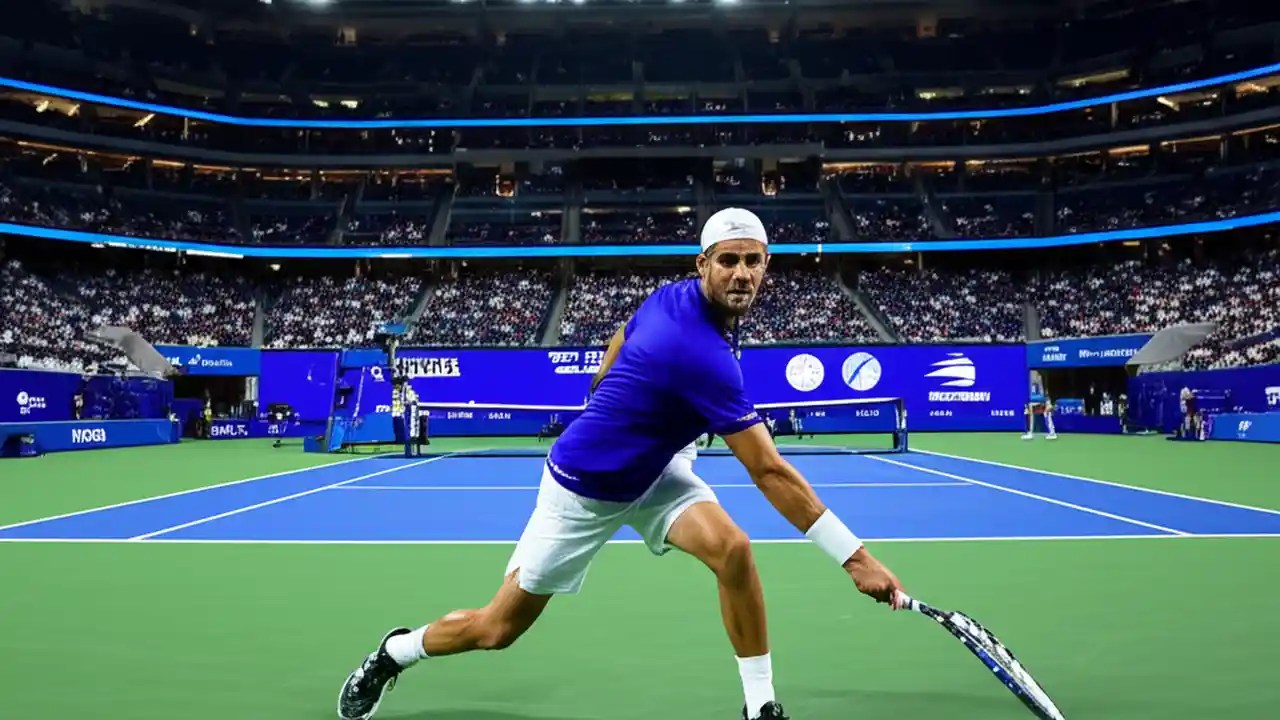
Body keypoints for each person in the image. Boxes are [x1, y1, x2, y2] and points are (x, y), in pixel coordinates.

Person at [336, 208, 906, 720]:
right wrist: (853, 558)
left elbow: (621, 334)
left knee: (733, 550)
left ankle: (760, 707)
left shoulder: (671, 297)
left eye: (752, 262)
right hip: (584, 490)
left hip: (655, 469)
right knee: (496, 629)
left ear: (766, 265)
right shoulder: (701, 355)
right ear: (702, 264)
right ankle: (394, 653)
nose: (741, 274)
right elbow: (770, 472)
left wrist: (605, 390)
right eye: (728, 261)